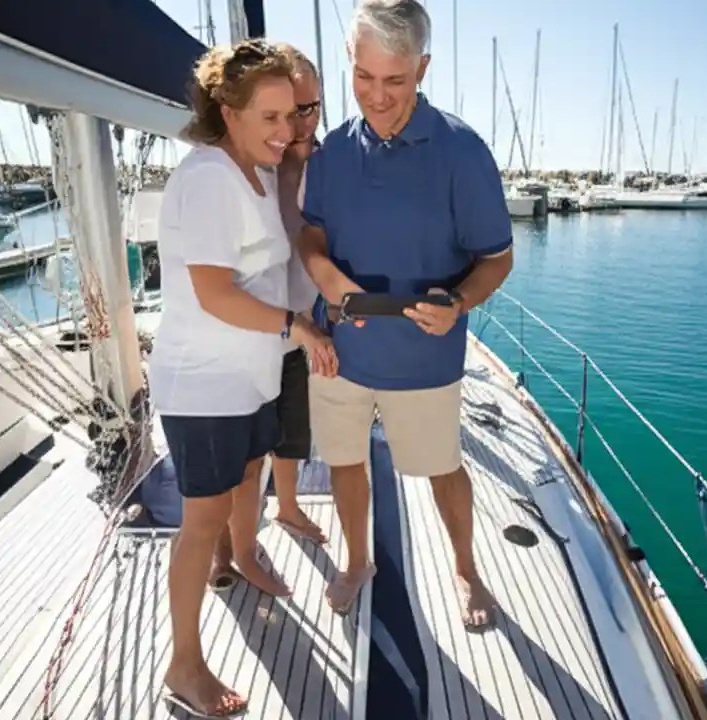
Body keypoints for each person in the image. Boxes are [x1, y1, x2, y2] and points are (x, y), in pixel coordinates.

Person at [296, 0, 514, 630]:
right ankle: (359, 560)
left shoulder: (462, 152)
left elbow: (496, 259)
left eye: (395, 80)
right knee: (343, 461)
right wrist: (333, 284)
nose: (378, 96)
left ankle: (467, 568)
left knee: (444, 467)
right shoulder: (330, 154)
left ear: (423, 67)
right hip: (340, 352)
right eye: (364, 77)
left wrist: (461, 304)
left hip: (426, 359)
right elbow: (311, 238)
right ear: (350, 62)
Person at [148, 39, 337, 718]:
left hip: (249, 378)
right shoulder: (205, 180)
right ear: (227, 111)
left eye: (293, 115)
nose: (287, 132)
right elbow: (214, 294)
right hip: (204, 386)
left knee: (248, 475)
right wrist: (299, 326)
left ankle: (249, 553)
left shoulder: (257, 169)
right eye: (271, 117)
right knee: (199, 526)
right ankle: (184, 663)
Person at [269, 44, 328, 545]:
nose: (304, 121)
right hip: (256, 325)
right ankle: (227, 548)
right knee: (243, 452)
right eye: (292, 111)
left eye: (311, 107)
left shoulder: (335, 167)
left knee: (292, 435)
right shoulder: (255, 168)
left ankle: (287, 509)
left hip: (306, 324)